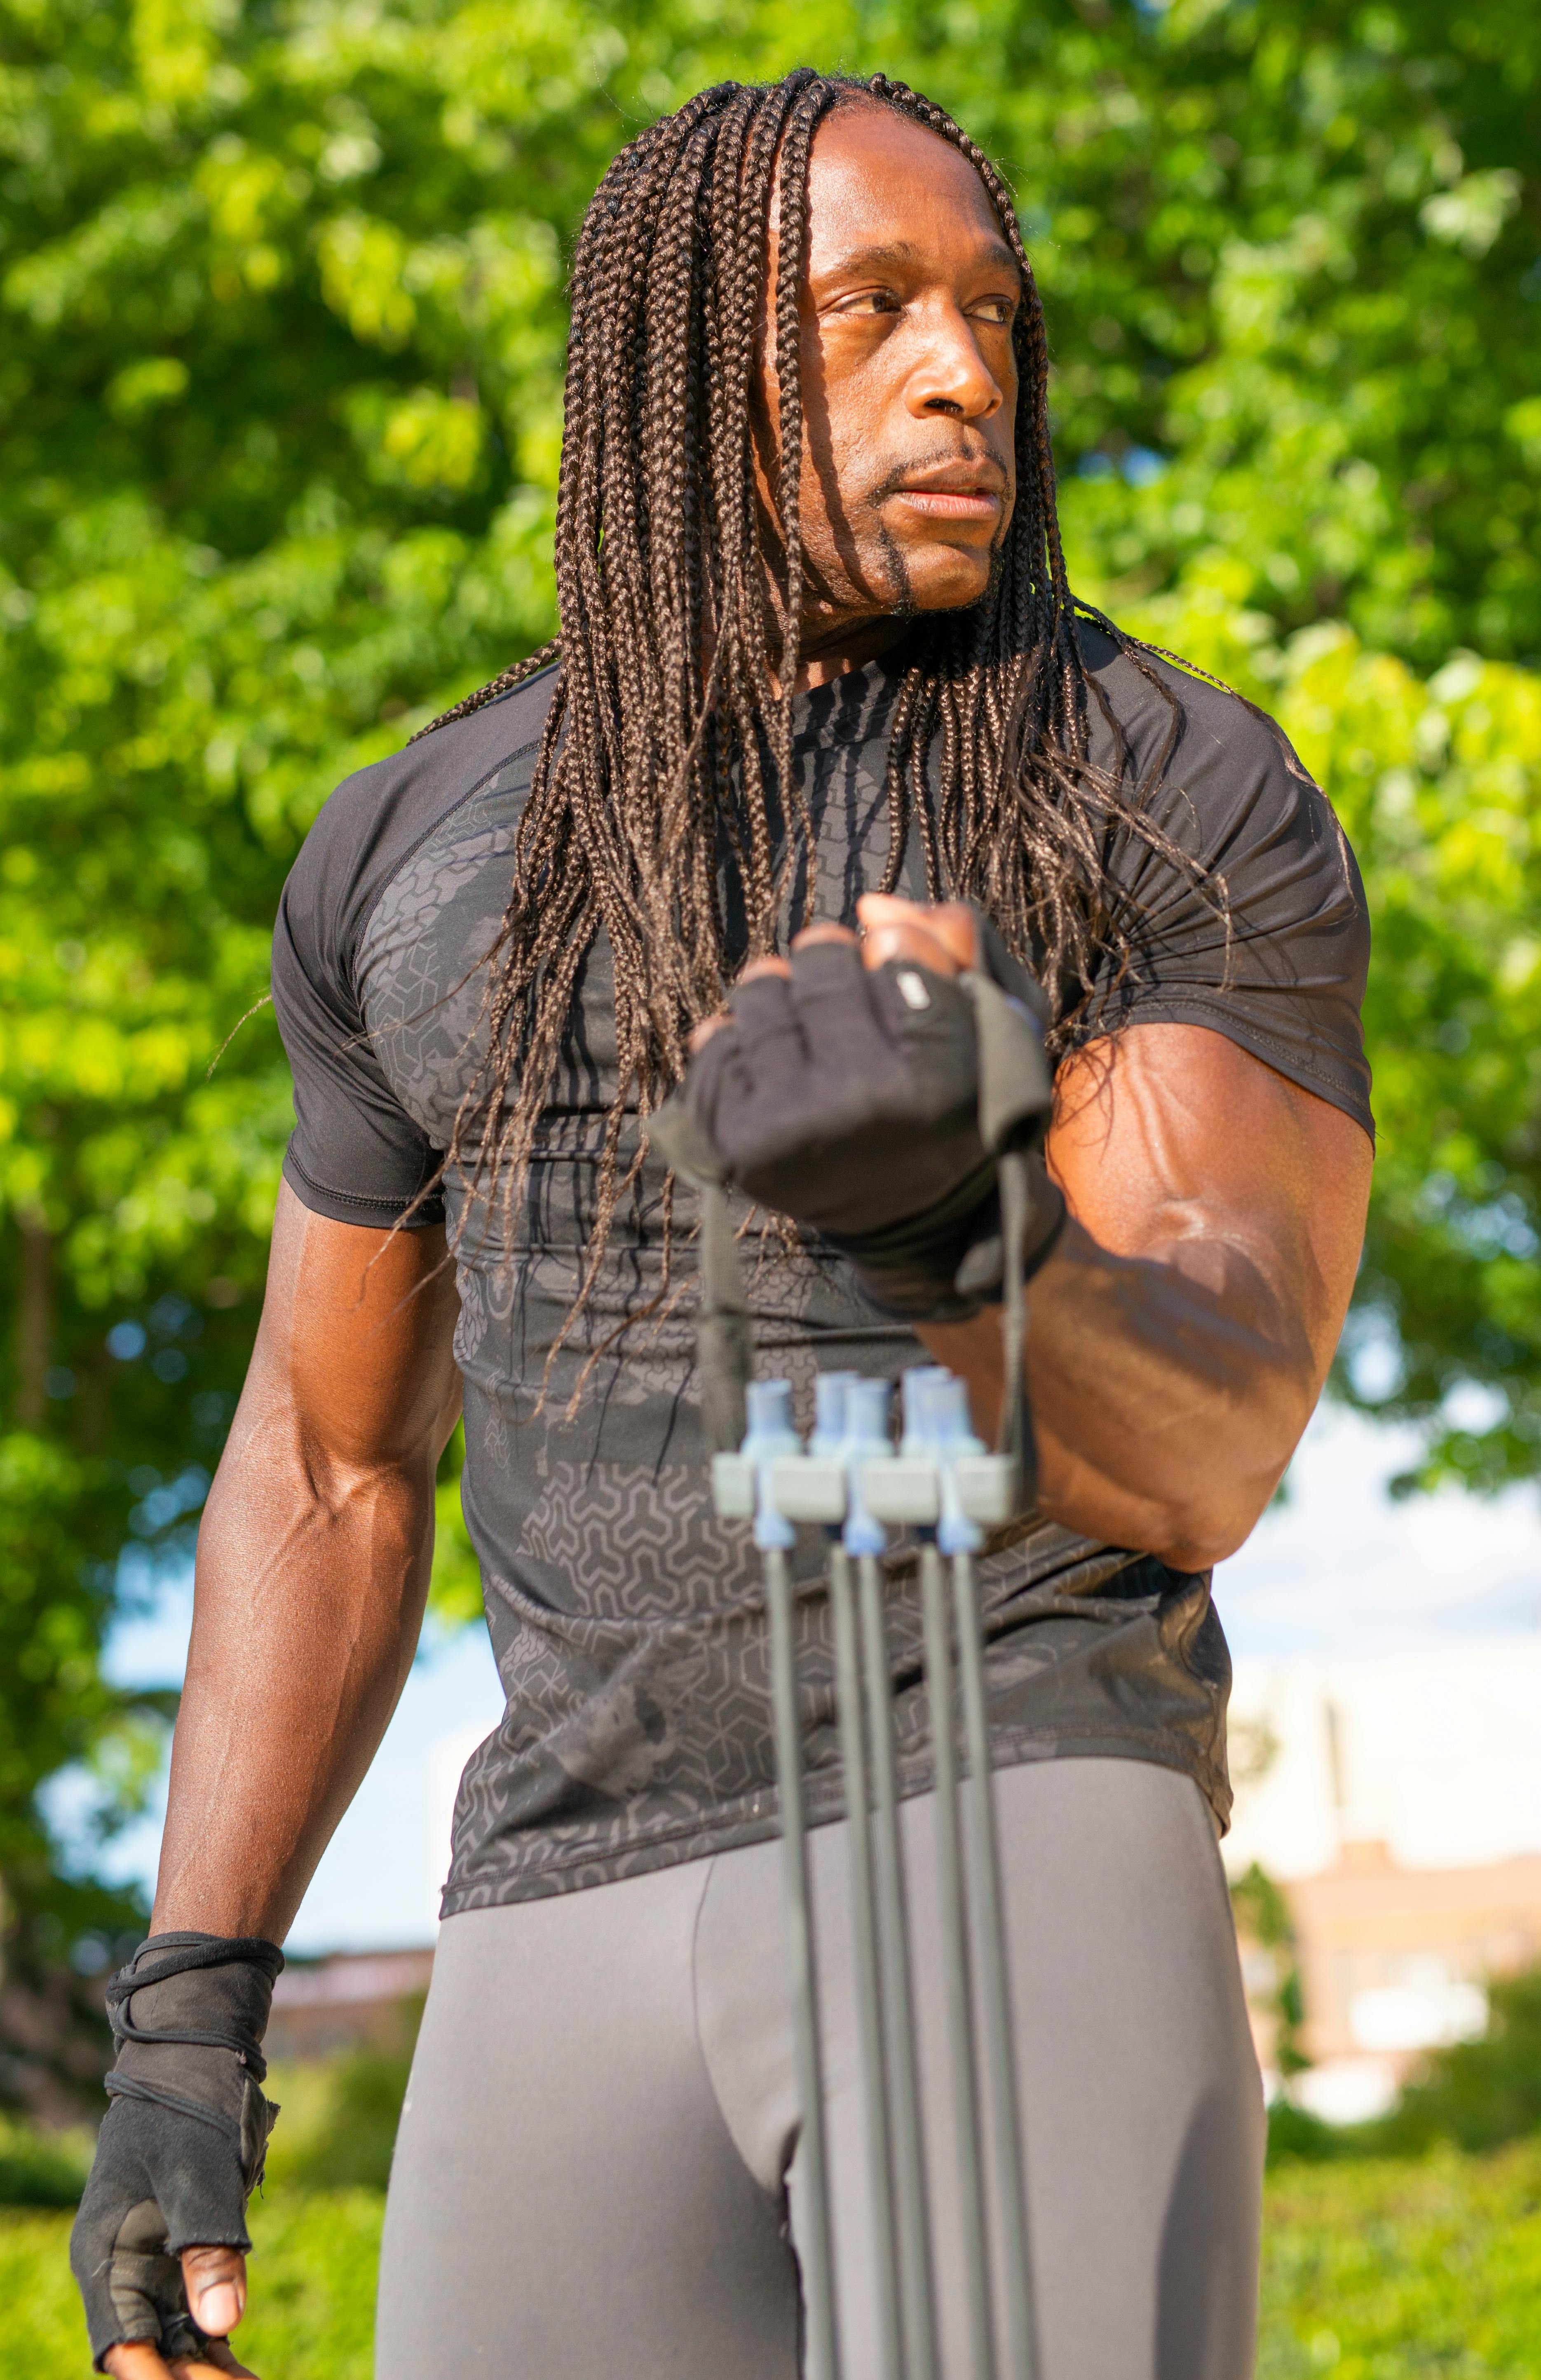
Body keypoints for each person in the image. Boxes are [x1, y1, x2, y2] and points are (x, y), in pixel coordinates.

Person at [72, 69, 1373, 2380]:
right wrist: (187, 2026)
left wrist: (967, 1239)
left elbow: (1216, 1440)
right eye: (870, 311)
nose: (966, 371)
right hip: (549, 1902)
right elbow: (328, 1461)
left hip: (999, 1808)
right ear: (678, 370)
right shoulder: (412, 844)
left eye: (987, 312)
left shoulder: (1152, 784)